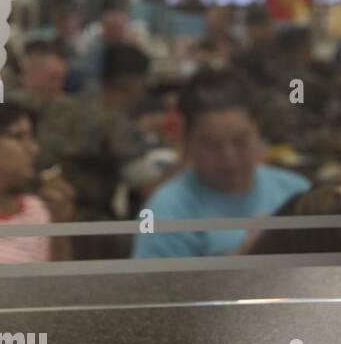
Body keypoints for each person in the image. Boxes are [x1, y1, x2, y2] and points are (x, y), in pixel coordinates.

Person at [133, 70, 311, 259]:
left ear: (258, 133)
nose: (229, 157)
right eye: (212, 145)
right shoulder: (166, 212)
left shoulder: (295, 192)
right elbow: (153, 288)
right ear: (187, 142)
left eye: (241, 141)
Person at [38, 42, 150, 225]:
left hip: (42, 210)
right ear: (134, 82)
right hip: (84, 221)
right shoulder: (113, 121)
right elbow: (146, 186)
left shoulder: (67, 105)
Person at [0, 102, 74, 263]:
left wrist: (59, 223)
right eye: (19, 137)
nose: (34, 149)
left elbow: (57, 284)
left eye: (31, 138)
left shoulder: (39, 212)